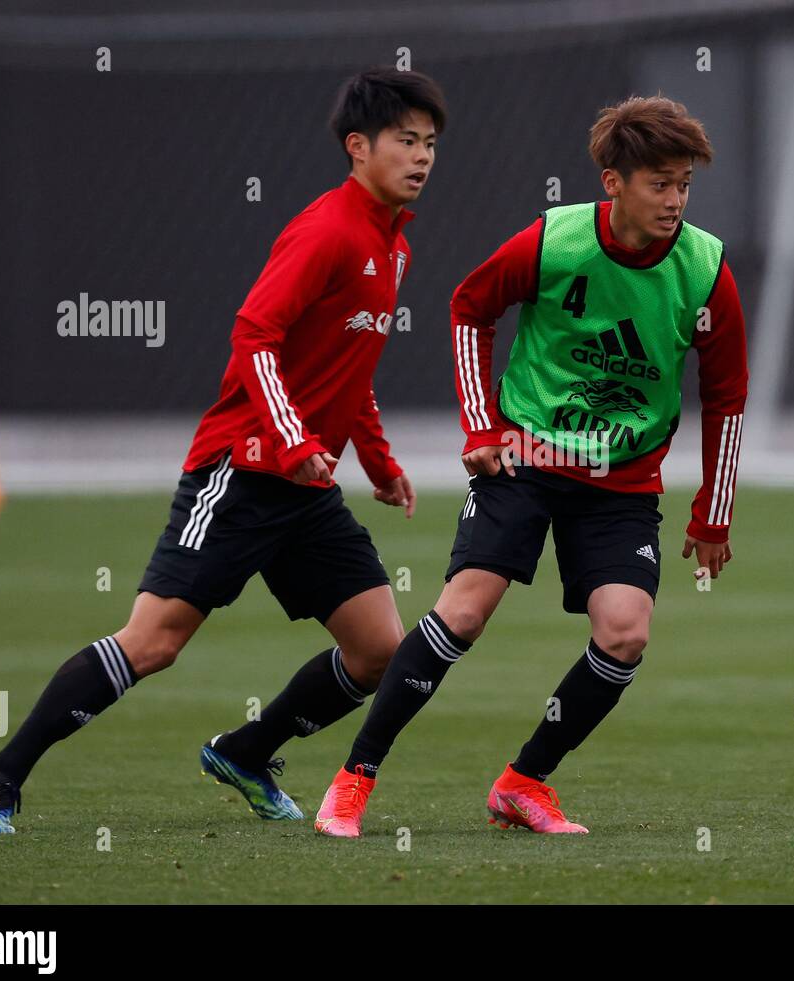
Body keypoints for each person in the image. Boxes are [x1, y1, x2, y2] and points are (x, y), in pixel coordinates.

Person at [0, 67, 446, 834]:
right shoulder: (326, 231)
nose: (421, 156)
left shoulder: (394, 248)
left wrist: (379, 464)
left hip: (305, 489)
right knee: (153, 644)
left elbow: (350, 372)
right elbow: (255, 336)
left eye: (429, 143)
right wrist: (291, 439)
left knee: (381, 650)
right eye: (404, 140)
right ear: (358, 147)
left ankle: (247, 752)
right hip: (242, 471)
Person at [312, 94, 748, 838]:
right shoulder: (556, 242)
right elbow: (468, 306)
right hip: (527, 459)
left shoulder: (706, 270)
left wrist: (713, 512)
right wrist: (481, 424)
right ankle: (354, 778)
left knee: (624, 632)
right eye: (659, 183)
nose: (675, 200)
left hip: (623, 482)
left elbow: (729, 396)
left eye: (684, 185)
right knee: (466, 608)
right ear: (614, 182)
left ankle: (524, 783)